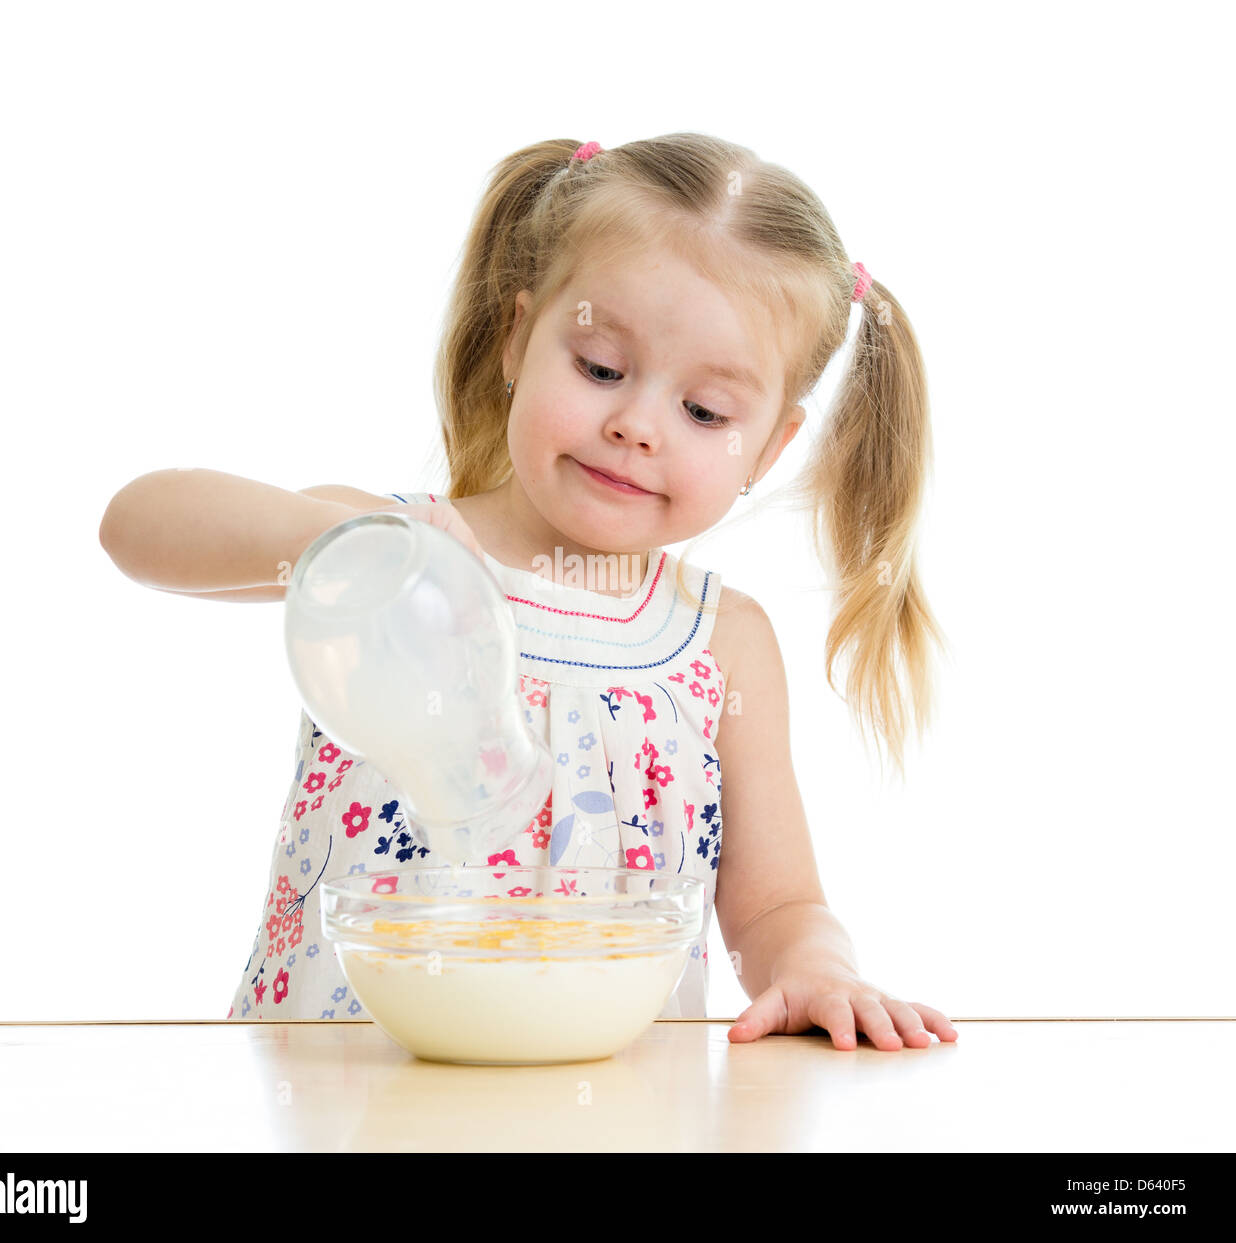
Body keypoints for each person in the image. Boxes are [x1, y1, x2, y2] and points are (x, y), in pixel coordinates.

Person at [99, 134, 957, 1050]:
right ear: (517, 337)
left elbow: (778, 903)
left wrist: (816, 965)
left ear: (770, 448)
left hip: (604, 1116)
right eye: (599, 368)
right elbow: (138, 525)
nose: (634, 426)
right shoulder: (396, 556)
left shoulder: (722, 642)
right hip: (340, 1096)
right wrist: (337, 548)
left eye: (704, 412)